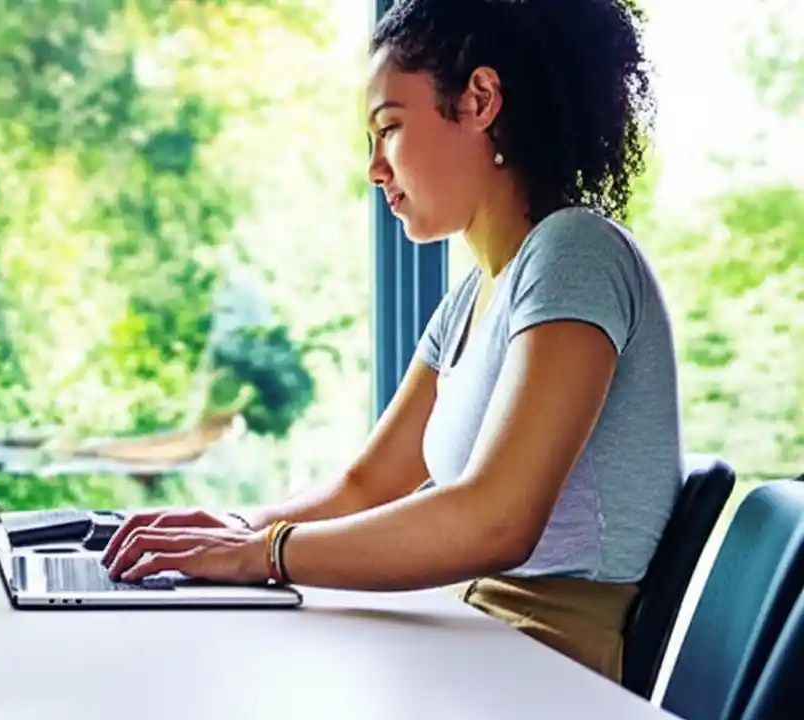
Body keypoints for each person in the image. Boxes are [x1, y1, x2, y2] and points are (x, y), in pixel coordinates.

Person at [99, 0, 683, 683]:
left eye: (391, 128)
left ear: (480, 100)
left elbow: (497, 522)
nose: (375, 168)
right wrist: (228, 530)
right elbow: (366, 486)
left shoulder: (575, 253)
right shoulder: (471, 298)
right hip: (476, 637)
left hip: (547, 666)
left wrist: (263, 553)